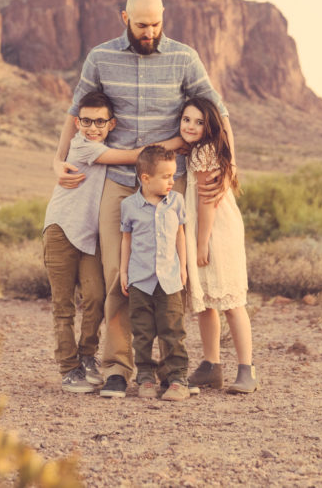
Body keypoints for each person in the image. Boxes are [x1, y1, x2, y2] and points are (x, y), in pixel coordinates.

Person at [54, 0, 235, 399]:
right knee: (120, 277)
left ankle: (175, 371)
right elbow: (74, 112)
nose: (149, 31)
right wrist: (56, 161)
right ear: (124, 19)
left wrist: (232, 165)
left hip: (172, 184)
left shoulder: (184, 57)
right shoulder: (100, 57)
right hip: (118, 184)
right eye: (141, 24)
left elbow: (217, 111)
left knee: (174, 279)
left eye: (155, 24)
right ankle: (118, 368)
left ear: (163, 17)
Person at [43, 91, 184, 393]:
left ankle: (86, 357)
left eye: (100, 122)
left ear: (112, 123)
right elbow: (135, 157)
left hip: (89, 236)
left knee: (96, 297)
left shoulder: (100, 144)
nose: (92, 128)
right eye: (86, 121)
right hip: (61, 229)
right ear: (77, 123)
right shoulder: (82, 147)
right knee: (64, 305)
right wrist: (177, 143)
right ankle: (69, 368)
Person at [179, 97, 259, 393]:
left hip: (214, 229)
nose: (191, 126)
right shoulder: (200, 148)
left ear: (210, 126)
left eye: (199, 122)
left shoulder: (205, 152)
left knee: (230, 300)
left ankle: (246, 369)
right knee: (206, 299)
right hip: (208, 226)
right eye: (187, 119)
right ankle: (211, 366)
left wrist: (201, 244)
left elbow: (207, 201)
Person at [118, 145, 189, 401]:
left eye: (173, 175)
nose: (172, 181)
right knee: (143, 332)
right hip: (140, 280)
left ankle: (177, 379)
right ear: (145, 178)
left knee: (173, 330)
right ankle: (146, 378)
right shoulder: (129, 206)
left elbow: (181, 235)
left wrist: (182, 267)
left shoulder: (176, 202)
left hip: (169, 280)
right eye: (166, 176)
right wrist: (124, 273)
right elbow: (126, 240)